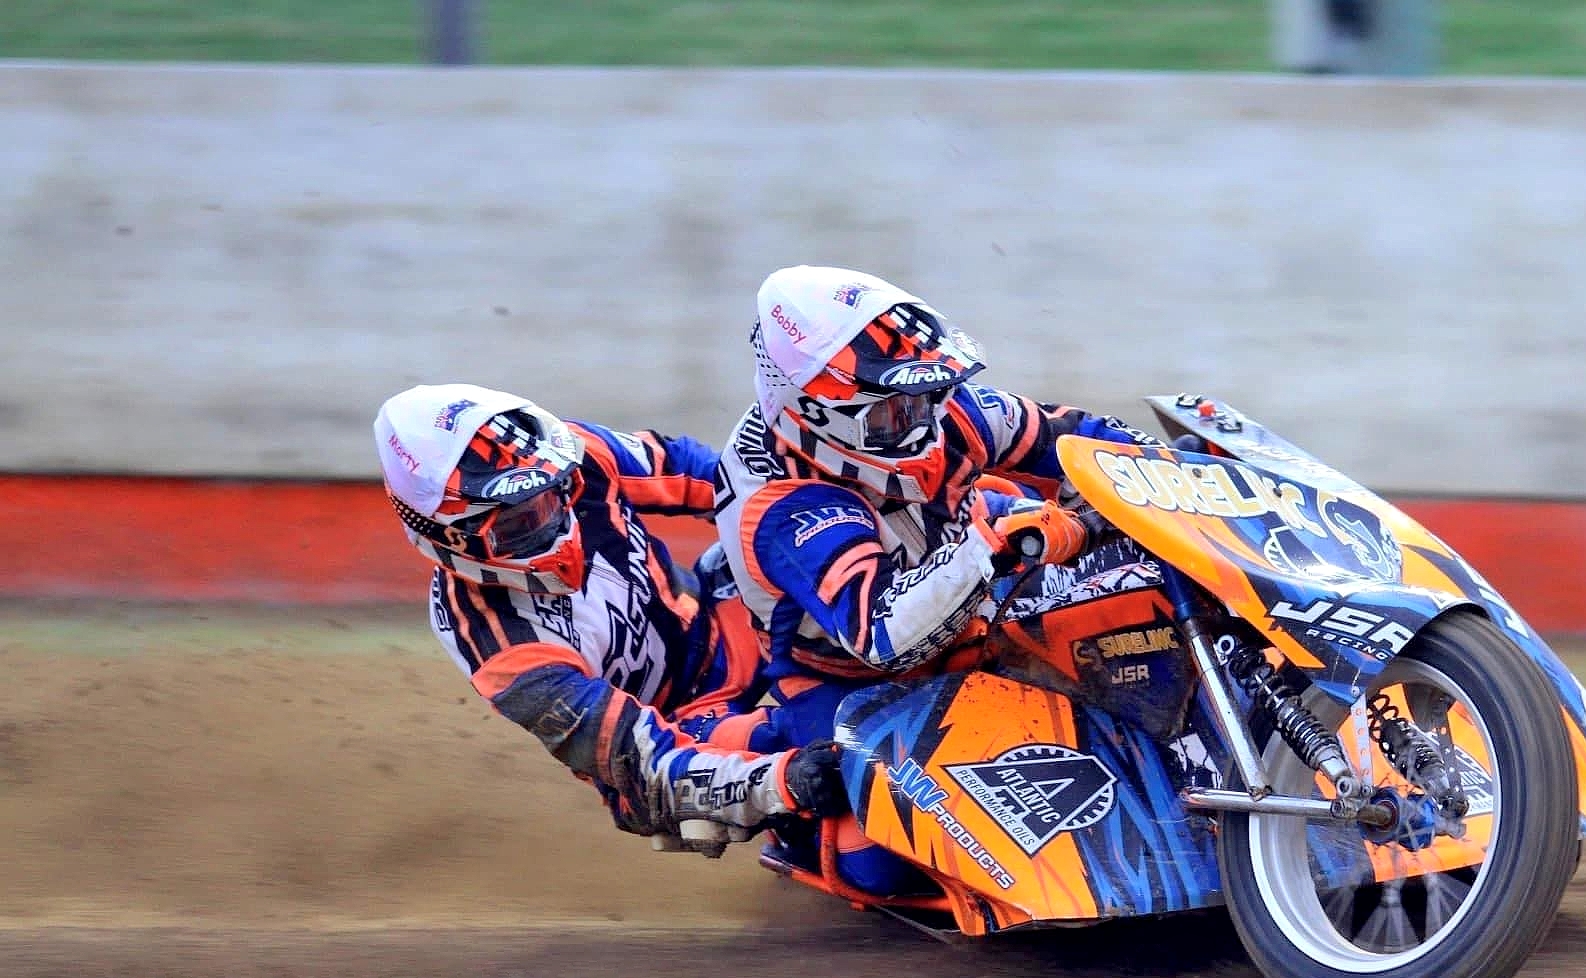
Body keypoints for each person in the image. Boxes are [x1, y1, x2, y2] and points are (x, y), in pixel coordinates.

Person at [374, 382, 845, 855]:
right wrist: (781, 782)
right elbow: (636, 763)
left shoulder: (570, 455)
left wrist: (819, 513)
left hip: (718, 616)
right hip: (678, 729)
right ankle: (807, 837)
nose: (555, 522)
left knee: (819, 552)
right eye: (520, 521)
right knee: (826, 754)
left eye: (553, 494)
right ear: (450, 537)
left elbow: (710, 474)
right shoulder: (495, 642)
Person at [714, 265, 1156, 742]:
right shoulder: (786, 504)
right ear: (818, 412)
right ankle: (743, 747)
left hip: (983, 587)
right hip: (853, 683)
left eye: (926, 397)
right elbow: (881, 634)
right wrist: (998, 546)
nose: (921, 422)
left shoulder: (941, 412)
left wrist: (1179, 472)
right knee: (854, 772)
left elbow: (1078, 439)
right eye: (893, 412)